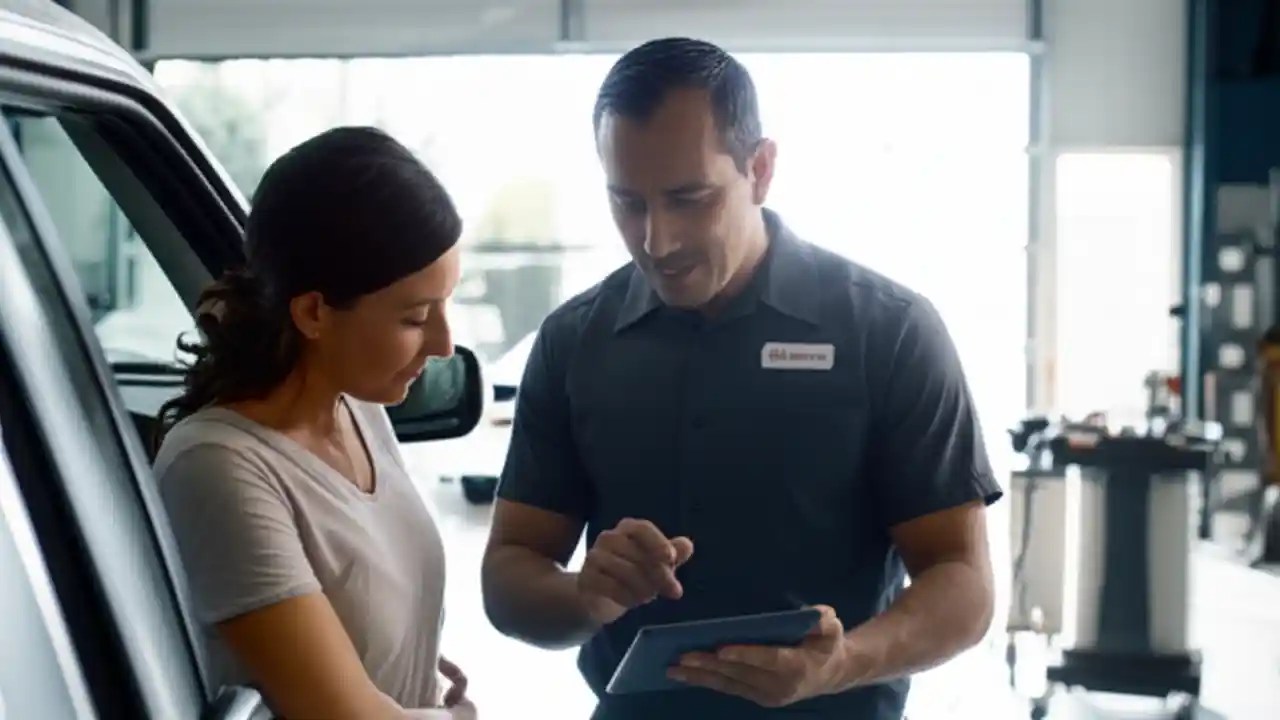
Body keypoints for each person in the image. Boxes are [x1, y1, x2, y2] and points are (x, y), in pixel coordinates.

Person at [481, 37, 1002, 719]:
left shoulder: (888, 330)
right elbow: (508, 575)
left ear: (760, 169)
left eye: (688, 199)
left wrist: (845, 663)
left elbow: (961, 581)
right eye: (627, 203)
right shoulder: (575, 340)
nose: (656, 241)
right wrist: (584, 595)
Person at [153, 127, 475, 720]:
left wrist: (414, 672)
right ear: (313, 312)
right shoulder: (218, 469)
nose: (445, 344)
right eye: (416, 317)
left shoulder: (362, 411)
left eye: (447, 305)